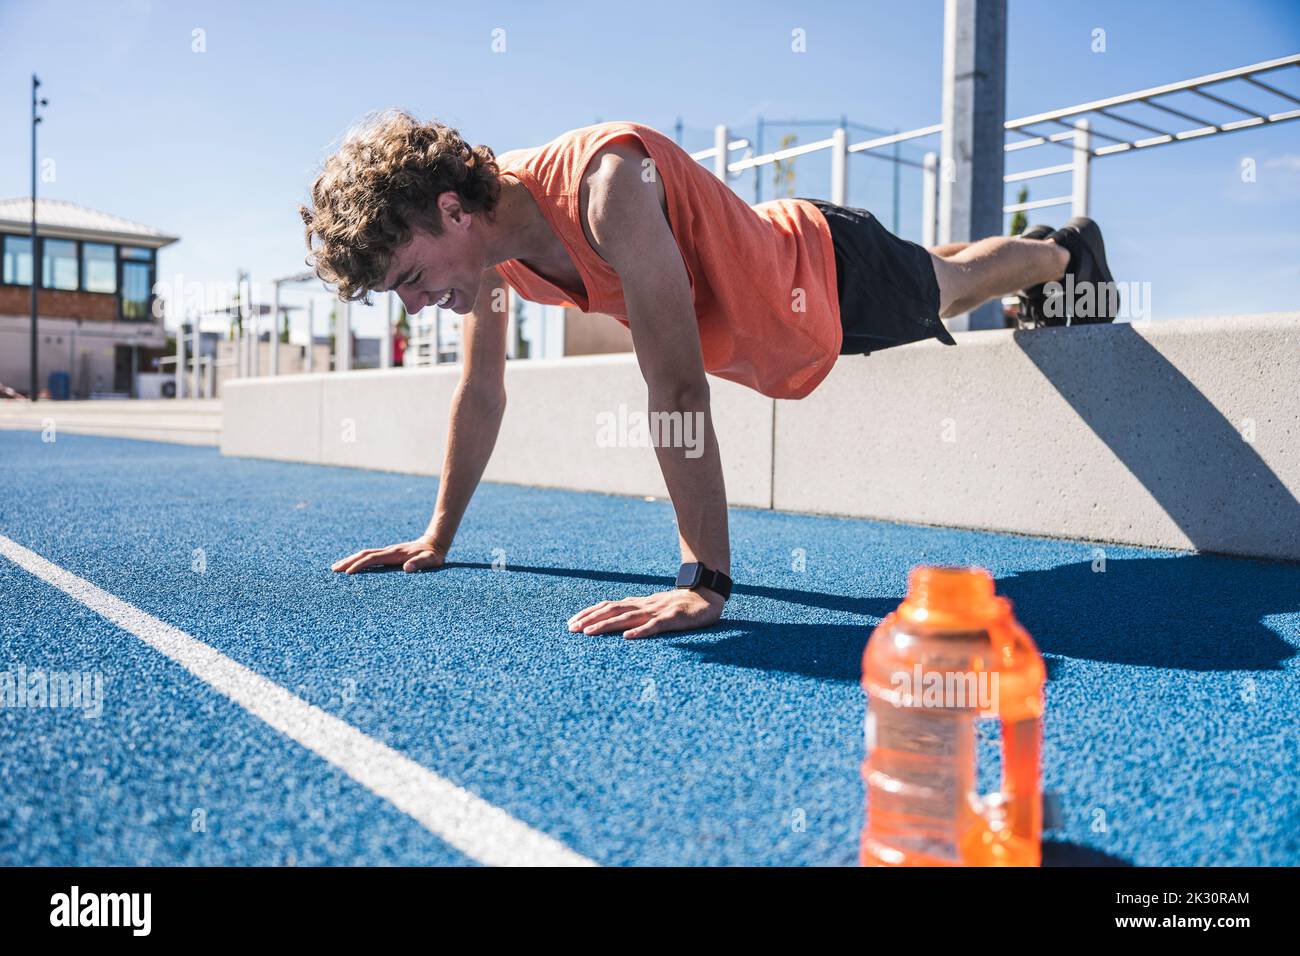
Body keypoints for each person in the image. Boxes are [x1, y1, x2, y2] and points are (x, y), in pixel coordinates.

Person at [303, 111, 1116, 639]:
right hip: (780, 316)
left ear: (452, 209)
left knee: (950, 284)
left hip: (825, 272)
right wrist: (437, 537)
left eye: (409, 278)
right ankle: (1057, 255)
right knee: (946, 273)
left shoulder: (604, 186)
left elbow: (677, 390)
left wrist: (705, 580)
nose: (414, 305)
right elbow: (481, 391)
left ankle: (1067, 254)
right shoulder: (491, 253)